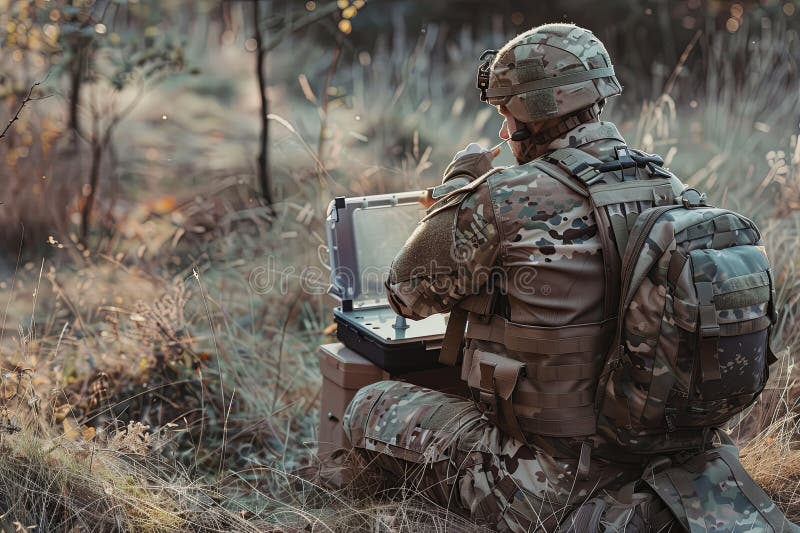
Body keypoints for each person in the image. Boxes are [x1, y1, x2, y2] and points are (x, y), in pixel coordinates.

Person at [342, 24, 797, 532]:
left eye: (504, 113)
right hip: (662, 454)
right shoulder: (671, 186)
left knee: (369, 404)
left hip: (546, 484)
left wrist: (458, 186)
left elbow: (405, 293)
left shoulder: (505, 197)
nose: (501, 130)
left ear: (530, 115)